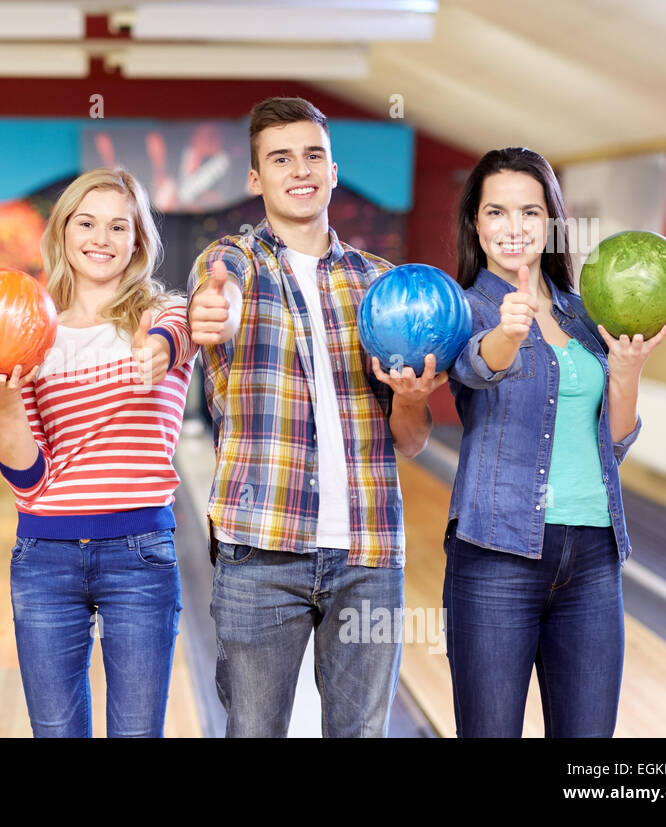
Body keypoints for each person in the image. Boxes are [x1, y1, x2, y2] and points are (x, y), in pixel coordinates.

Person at [187, 97, 442, 738]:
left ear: (333, 170)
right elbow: (224, 295)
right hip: (260, 550)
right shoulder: (229, 263)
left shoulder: (382, 286)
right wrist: (220, 310)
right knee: (254, 730)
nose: (299, 170)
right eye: (280, 158)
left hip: (368, 553)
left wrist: (412, 397)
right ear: (255, 179)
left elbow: (409, 441)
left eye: (312, 155)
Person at [444, 147, 664, 737]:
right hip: (497, 555)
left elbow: (611, 445)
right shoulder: (463, 309)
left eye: (529, 213)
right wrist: (507, 336)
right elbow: (471, 369)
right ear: (476, 224)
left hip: (593, 556)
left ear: (551, 223)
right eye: (496, 213)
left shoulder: (583, 313)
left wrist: (628, 370)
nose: (514, 228)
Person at [0, 168, 196, 737]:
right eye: (87, 223)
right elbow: (29, 481)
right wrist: (4, 406)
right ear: (63, 232)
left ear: (137, 241)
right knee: (54, 730)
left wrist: (154, 349)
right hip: (44, 555)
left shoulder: (164, 315)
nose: (101, 238)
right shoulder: (31, 331)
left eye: (118, 226)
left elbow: (178, 334)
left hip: (141, 554)